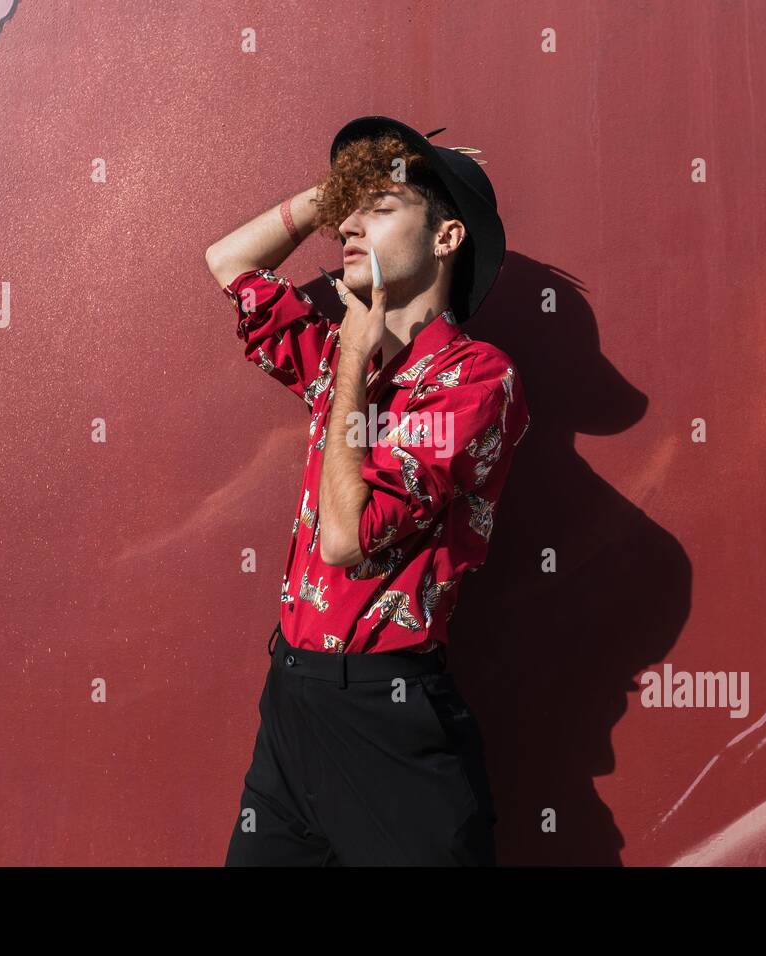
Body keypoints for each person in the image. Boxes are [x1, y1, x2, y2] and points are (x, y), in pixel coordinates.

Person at [204, 115, 529, 865]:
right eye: (351, 210)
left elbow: (345, 537)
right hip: (292, 705)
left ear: (447, 239)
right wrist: (339, 193)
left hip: (387, 722)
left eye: (381, 208)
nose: (348, 225)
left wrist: (350, 357)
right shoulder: (346, 367)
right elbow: (229, 262)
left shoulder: (477, 379)